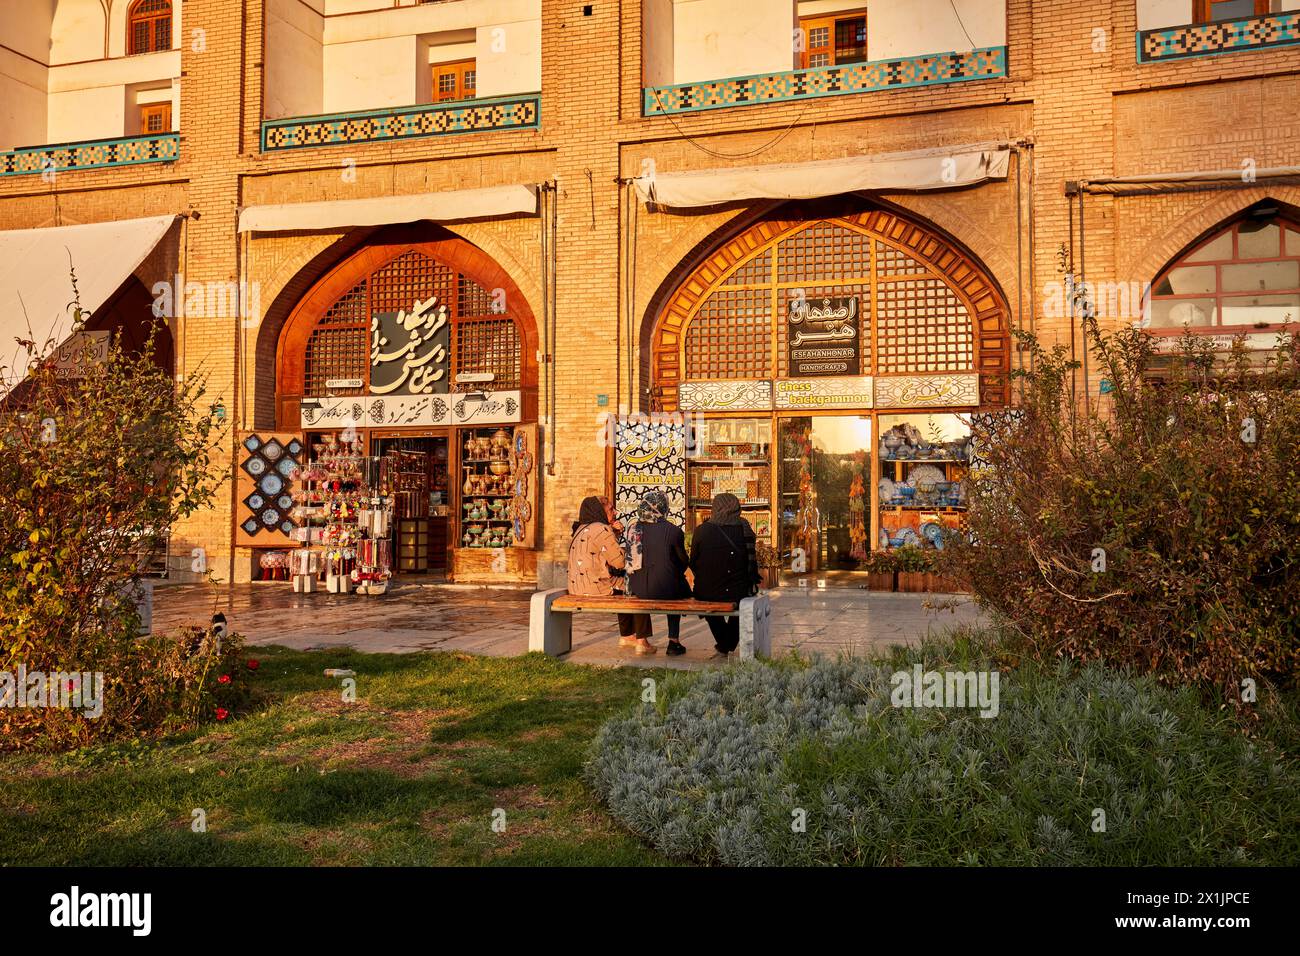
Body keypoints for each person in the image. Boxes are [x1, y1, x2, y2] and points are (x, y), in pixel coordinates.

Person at [567, 495, 652, 655]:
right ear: (599, 511)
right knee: (638, 587)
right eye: (611, 509)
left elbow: (597, 550)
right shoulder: (601, 528)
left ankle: (627, 635)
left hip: (577, 587)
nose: (616, 512)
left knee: (623, 584)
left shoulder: (580, 528)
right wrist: (631, 550)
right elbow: (619, 562)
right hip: (595, 587)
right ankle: (642, 641)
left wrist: (614, 532)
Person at [689, 492, 761, 660]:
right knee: (742, 601)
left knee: (708, 602)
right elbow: (750, 561)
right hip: (739, 590)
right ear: (737, 509)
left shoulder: (702, 530)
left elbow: (693, 562)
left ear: (715, 509)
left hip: (707, 590)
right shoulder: (745, 528)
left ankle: (724, 644)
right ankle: (726, 643)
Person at [626, 490, 691, 657]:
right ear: (663, 507)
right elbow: (683, 560)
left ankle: (641, 641)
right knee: (677, 583)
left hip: (637, 588)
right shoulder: (673, 531)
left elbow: (630, 561)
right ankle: (673, 641)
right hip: (666, 588)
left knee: (640, 594)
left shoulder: (633, 528)